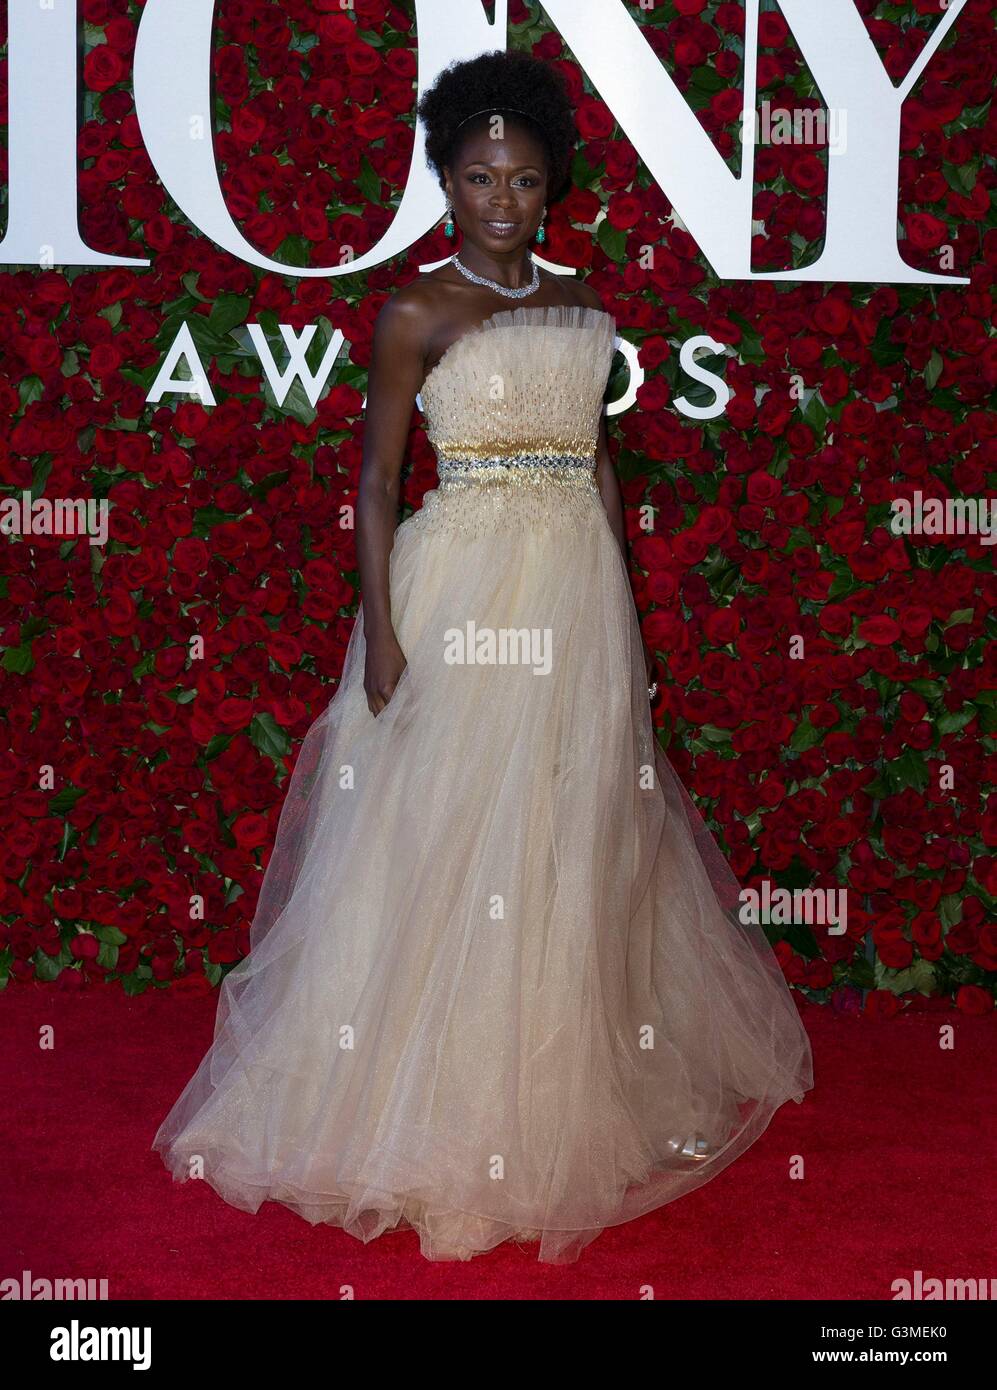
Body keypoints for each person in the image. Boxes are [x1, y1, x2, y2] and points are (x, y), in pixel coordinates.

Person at [152, 49, 813, 1265]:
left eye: (520, 178)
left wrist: (620, 598)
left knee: (565, 835)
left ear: (550, 183)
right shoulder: (415, 311)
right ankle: (422, 1105)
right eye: (475, 177)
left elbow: (598, 457)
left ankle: (553, 1085)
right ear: (444, 182)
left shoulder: (582, 313)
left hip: (572, 597)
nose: (499, 198)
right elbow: (373, 481)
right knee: (442, 832)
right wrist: (384, 637)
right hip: (456, 592)